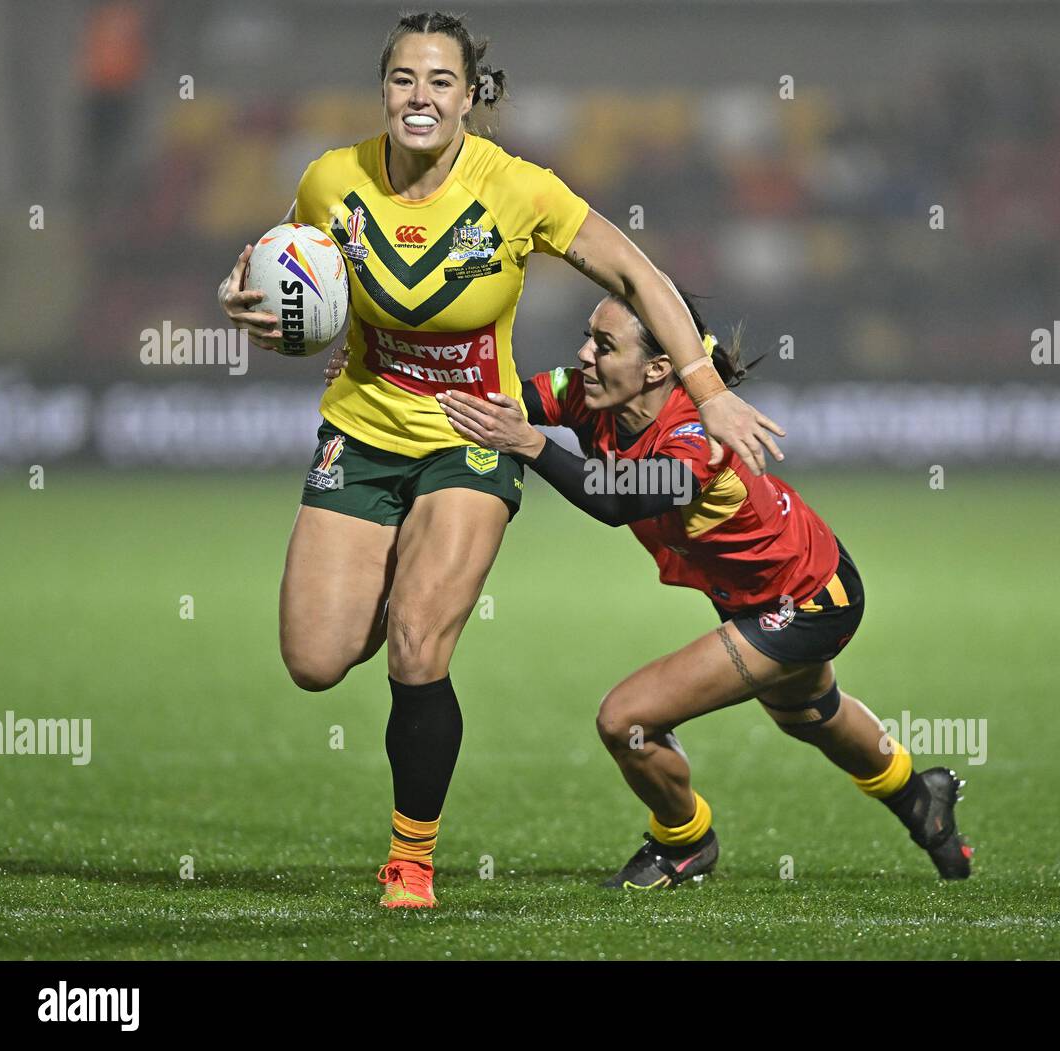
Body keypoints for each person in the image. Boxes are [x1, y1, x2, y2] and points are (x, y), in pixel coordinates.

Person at [215, 11, 784, 910]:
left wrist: (708, 391)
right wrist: (244, 299)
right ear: (383, 89)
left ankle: (410, 861)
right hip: (360, 434)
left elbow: (640, 277)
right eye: (404, 79)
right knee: (315, 659)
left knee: (417, 647)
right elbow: (289, 268)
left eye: (441, 81)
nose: (420, 97)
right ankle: (396, 581)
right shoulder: (331, 179)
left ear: (470, 96)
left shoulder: (516, 188)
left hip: (472, 438)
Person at [430, 290, 974, 887]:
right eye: (588, 337)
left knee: (627, 721)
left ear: (658, 368)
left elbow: (620, 500)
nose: (584, 355)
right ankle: (920, 799)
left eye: (605, 345)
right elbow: (493, 397)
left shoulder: (698, 433)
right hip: (762, 589)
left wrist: (531, 444)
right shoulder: (590, 392)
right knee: (811, 716)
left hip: (806, 599)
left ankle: (685, 842)